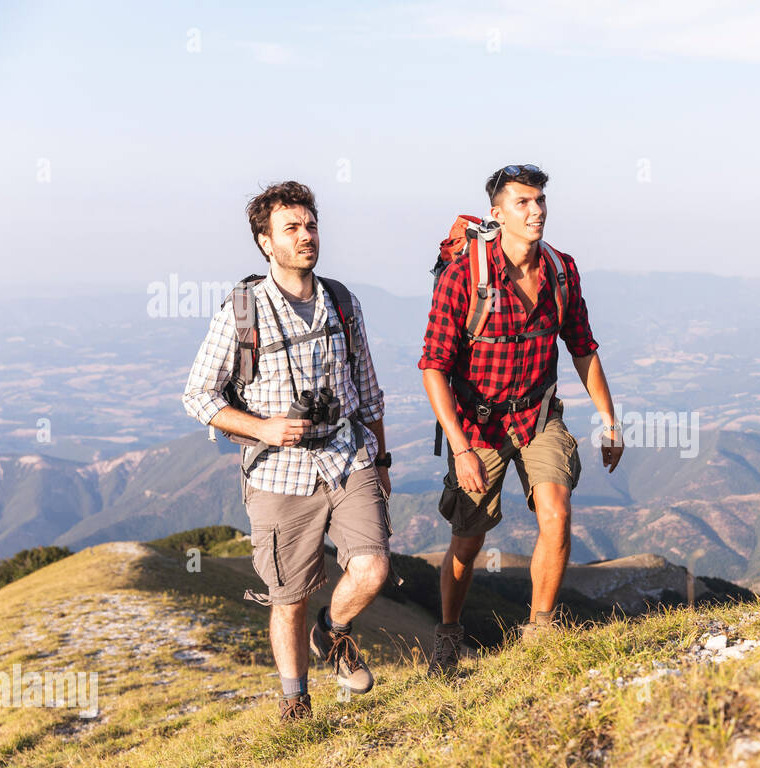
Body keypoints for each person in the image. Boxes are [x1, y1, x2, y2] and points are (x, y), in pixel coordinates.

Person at [182, 181, 392, 721]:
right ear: (265, 242)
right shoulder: (241, 312)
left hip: (348, 453)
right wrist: (262, 429)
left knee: (371, 569)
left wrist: (383, 459)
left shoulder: (343, 301)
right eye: (291, 228)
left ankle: (335, 631)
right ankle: (295, 701)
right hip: (278, 472)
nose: (306, 237)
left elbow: (368, 390)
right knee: (289, 595)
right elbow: (198, 395)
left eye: (311, 225)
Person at [419, 164, 623, 666]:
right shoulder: (465, 275)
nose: (536, 212)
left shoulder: (560, 269)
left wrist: (608, 418)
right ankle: (448, 633)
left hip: (537, 413)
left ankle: (539, 634)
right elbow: (433, 367)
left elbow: (582, 347)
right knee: (469, 539)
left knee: (557, 513)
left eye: (540, 201)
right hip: (477, 423)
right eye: (522, 203)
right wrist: (461, 447)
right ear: (497, 213)